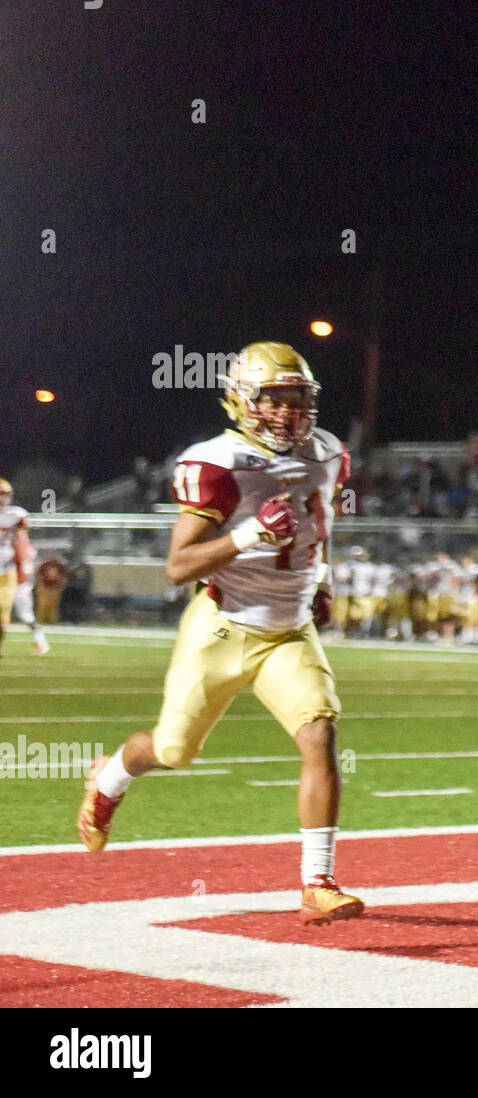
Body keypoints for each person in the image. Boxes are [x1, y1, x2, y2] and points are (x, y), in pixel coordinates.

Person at [76, 342, 363, 924]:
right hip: (223, 629)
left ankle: (318, 882)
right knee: (172, 750)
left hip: (289, 632)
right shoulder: (219, 462)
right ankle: (109, 778)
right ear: (242, 402)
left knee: (320, 736)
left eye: (298, 400)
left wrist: (322, 582)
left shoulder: (329, 452)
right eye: (274, 401)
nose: (288, 413)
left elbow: (319, 527)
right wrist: (251, 534)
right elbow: (178, 566)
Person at [0, 477, 46, 660]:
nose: (4, 498)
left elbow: (23, 541)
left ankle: (40, 640)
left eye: (6, 495)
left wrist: (24, 569)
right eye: (1, 494)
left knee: (13, 611)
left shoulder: (16, 515)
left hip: (8, 570)